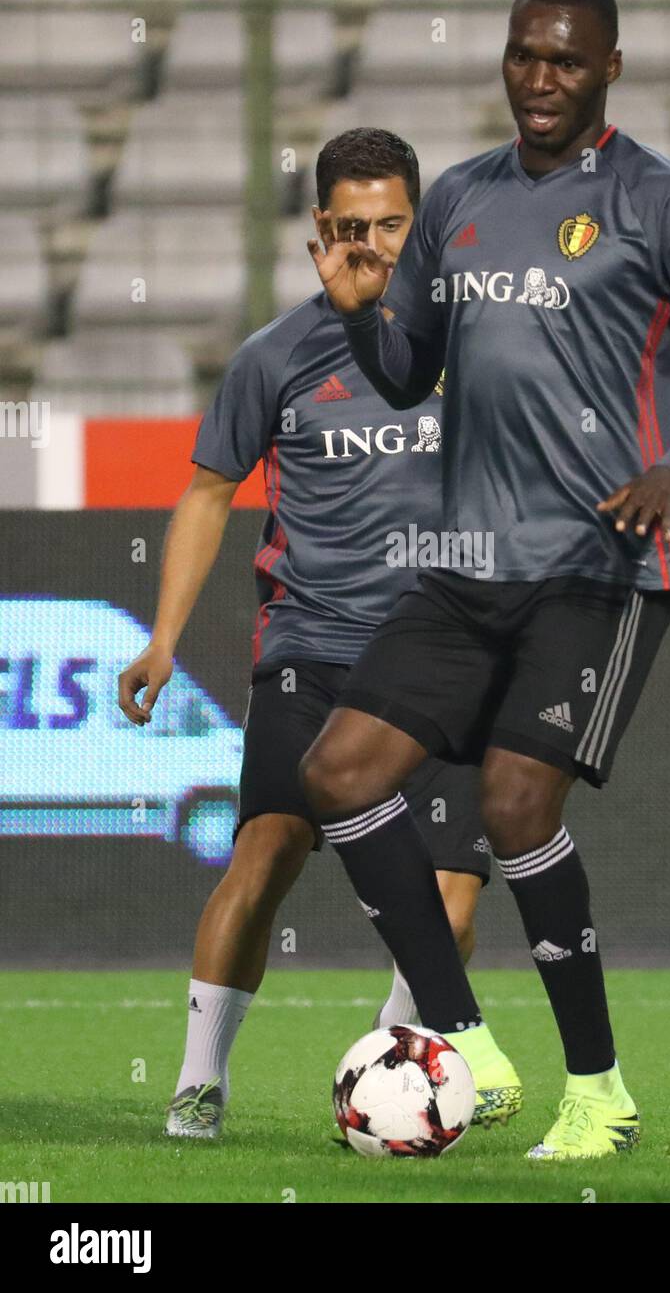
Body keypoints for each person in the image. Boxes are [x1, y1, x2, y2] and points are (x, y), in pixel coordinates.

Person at [303, 0, 670, 1160]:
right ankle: (464, 1041)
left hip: (603, 563)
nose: (538, 79)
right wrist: (367, 309)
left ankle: (598, 1089)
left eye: (564, 60)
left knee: (517, 804)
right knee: (339, 770)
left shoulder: (659, 199)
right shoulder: (459, 198)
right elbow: (409, 376)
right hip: (468, 566)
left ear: (608, 68)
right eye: (523, 54)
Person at [117, 128, 521, 1139]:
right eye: (351, 227)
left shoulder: (473, 349)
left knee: (454, 901)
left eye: (392, 225)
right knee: (265, 850)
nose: (372, 244)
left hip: (448, 658)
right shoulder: (275, 358)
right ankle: (198, 1082)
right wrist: (163, 640)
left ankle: (394, 1070)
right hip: (316, 649)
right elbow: (208, 494)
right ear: (316, 236)